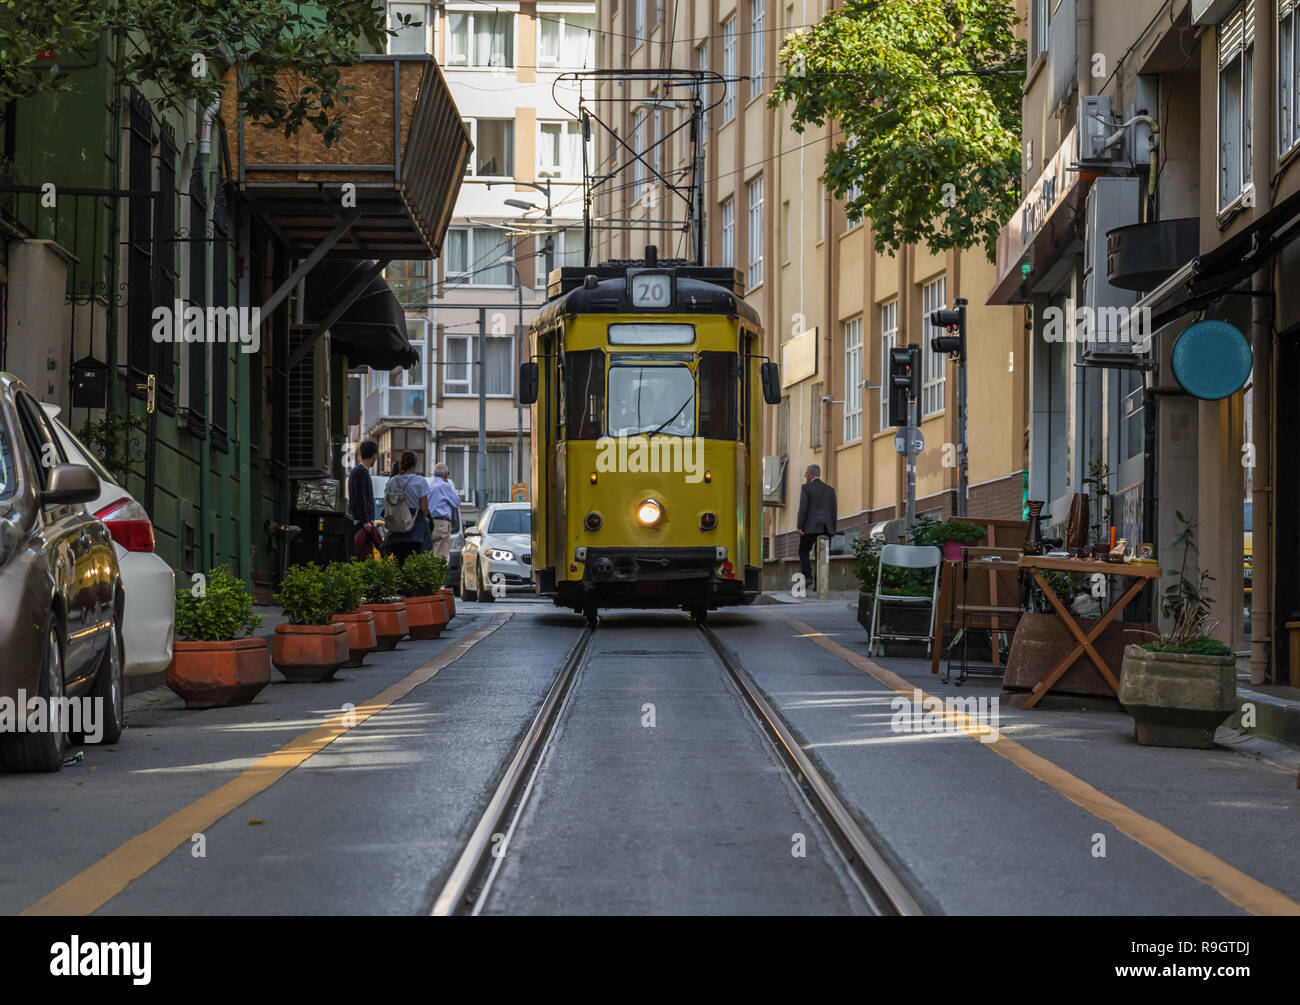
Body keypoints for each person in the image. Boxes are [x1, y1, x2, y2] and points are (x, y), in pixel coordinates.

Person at [382, 450, 430, 564]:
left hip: (396, 529)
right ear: (415, 464)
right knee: (415, 562)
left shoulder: (392, 481)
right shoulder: (420, 481)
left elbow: (386, 503)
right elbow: (424, 508)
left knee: (399, 562)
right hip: (415, 527)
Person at [796, 463, 837, 585]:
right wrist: (832, 529)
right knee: (822, 555)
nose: (805, 475)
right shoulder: (830, 490)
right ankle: (820, 583)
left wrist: (799, 526)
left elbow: (803, 508)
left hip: (810, 528)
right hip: (826, 528)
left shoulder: (806, 488)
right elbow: (833, 511)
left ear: (811, 474)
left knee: (803, 551)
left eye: (806, 473)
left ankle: (807, 577)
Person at [348, 440, 382, 558]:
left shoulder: (357, 471)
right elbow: (360, 498)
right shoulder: (361, 472)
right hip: (362, 524)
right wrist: (366, 520)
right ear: (374, 456)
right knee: (363, 556)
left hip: (361, 522)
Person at [426, 462, 461, 560]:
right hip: (442, 523)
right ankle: (438, 575)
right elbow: (457, 502)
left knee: (431, 554)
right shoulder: (445, 486)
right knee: (441, 555)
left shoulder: (430, 485)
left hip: (430, 522)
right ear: (445, 474)